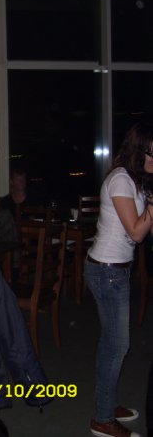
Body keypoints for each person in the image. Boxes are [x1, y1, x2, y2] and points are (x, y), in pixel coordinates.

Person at [84, 121, 153, 437]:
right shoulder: (121, 180)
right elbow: (137, 232)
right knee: (117, 346)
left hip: (115, 270)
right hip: (107, 271)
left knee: (111, 344)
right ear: (140, 151)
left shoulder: (136, 181)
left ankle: (107, 403)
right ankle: (102, 418)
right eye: (152, 152)